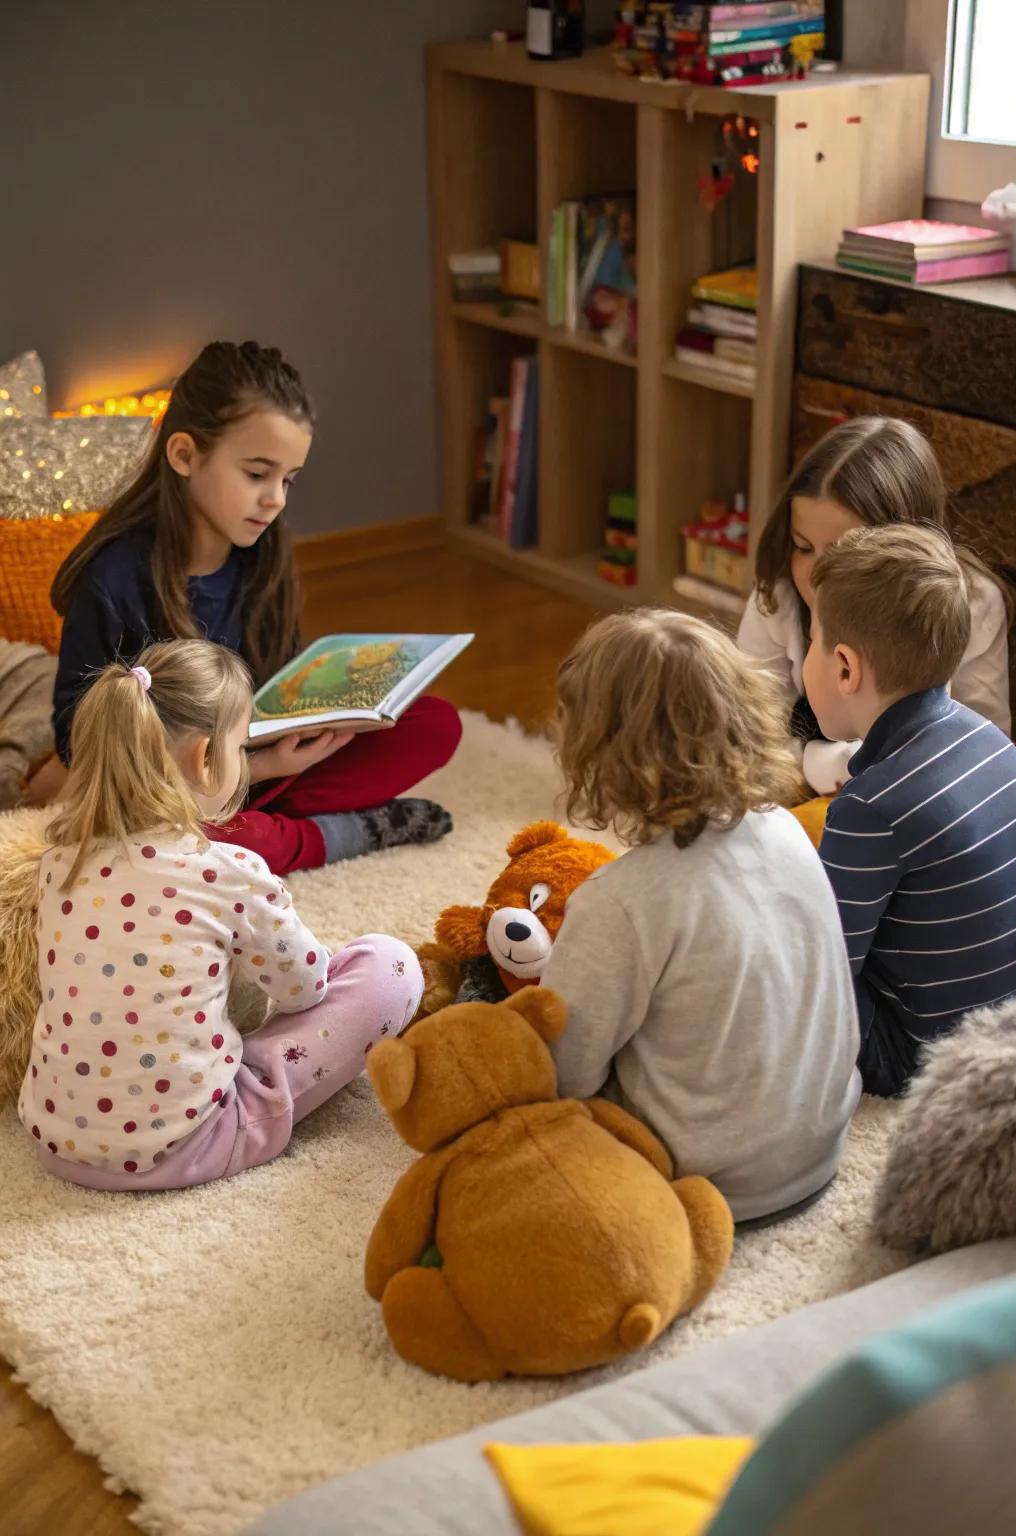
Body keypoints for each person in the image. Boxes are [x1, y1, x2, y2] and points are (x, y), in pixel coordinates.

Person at [19, 639, 423, 1191]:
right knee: (389, 967)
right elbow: (305, 989)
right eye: (243, 746)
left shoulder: (59, 863)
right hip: (184, 1147)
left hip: (56, 1141)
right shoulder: (228, 870)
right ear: (207, 757)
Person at [44, 340, 461, 875]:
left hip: (256, 769)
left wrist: (325, 705)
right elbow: (78, 744)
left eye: (288, 479)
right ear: (185, 456)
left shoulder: (262, 554)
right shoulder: (114, 579)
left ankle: (270, 829)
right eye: (258, 474)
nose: (277, 499)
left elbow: (278, 677)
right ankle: (342, 832)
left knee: (435, 723)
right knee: (177, 843)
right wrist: (253, 768)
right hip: (174, 794)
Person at [542, 609, 861, 1225]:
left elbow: (563, 1071)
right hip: (819, 1153)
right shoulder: (791, 833)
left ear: (599, 752)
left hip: (703, 1181)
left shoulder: (619, 900)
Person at [806, 524, 1016, 1098]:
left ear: (846, 669)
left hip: (921, 1055)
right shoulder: (998, 745)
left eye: (811, 643)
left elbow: (824, 974)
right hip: (1008, 1024)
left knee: (788, 953)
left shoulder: (872, 807)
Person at [738, 416, 1010, 795]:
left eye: (839, 553)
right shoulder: (781, 594)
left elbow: (983, 754)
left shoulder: (974, 604)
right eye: (802, 547)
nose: (816, 574)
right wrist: (819, 764)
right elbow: (747, 733)